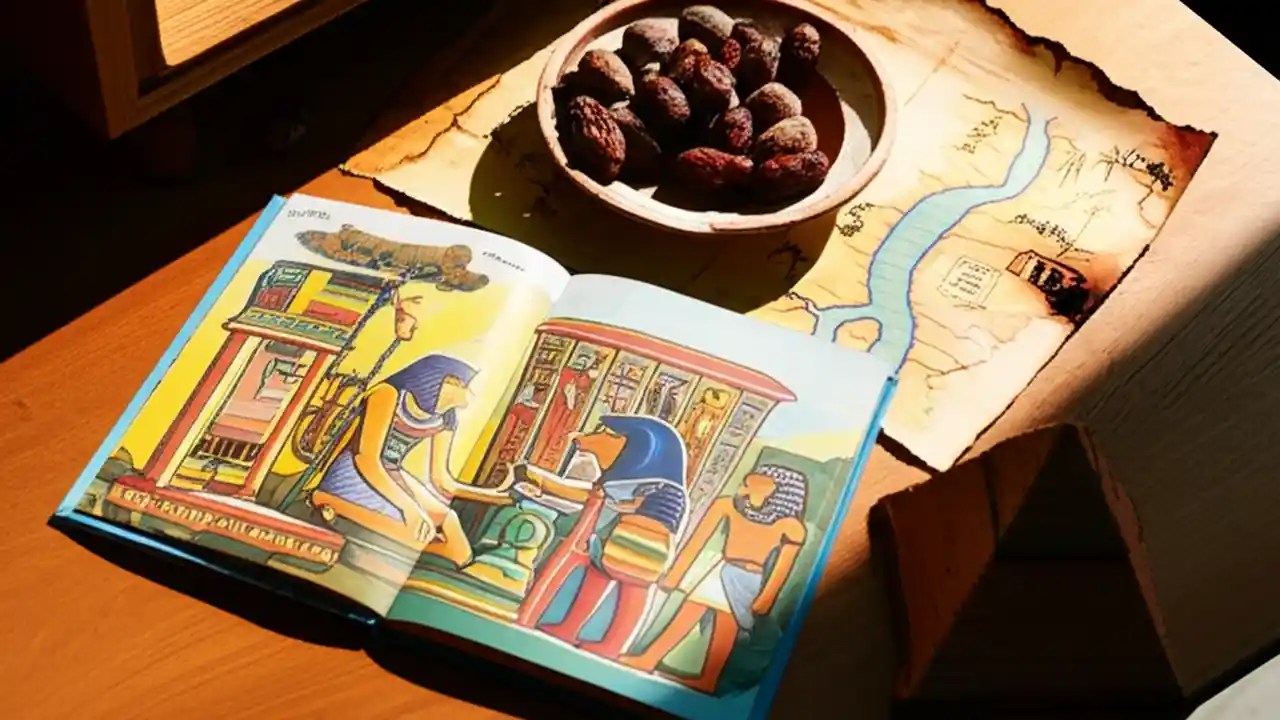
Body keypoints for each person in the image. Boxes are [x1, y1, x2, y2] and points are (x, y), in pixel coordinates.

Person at [620, 464, 809, 694]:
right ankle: (651, 659)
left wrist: (766, 599)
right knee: (690, 611)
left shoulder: (791, 526)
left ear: (780, 489)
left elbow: (783, 566)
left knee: (725, 626)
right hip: (722, 568)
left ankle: (708, 679)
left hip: (749, 577)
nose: (751, 477)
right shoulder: (727, 505)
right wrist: (675, 574)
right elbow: (698, 540)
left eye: (763, 478)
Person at [311, 353, 513, 566]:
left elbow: (442, 481)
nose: (473, 394)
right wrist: (410, 507)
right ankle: (327, 502)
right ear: (449, 381)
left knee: (450, 523)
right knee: (416, 531)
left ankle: (439, 570)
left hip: (392, 473)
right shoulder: (388, 394)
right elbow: (366, 458)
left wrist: (496, 496)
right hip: (355, 473)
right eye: (468, 386)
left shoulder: (447, 417)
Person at [516, 415, 689, 660]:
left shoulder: (650, 482)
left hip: (642, 543)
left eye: (607, 433)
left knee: (633, 587)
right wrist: (542, 481)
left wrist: (543, 482)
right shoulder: (629, 479)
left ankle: (613, 644)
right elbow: (598, 495)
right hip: (614, 538)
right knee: (597, 575)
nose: (590, 438)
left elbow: (609, 499)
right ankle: (569, 627)